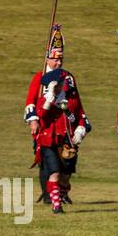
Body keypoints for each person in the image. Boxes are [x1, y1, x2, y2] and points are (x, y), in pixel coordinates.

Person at [24, 25, 90, 214]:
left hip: (66, 127)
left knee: (67, 167)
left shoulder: (68, 78)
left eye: (61, 57)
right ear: (48, 57)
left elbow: (76, 103)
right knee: (49, 166)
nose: (59, 60)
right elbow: (30, 103)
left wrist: (80, 125)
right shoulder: (39, 77)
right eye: (55, 57)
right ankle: (51, 198)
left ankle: (61, 193)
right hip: (45, 128)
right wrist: (33, 121)